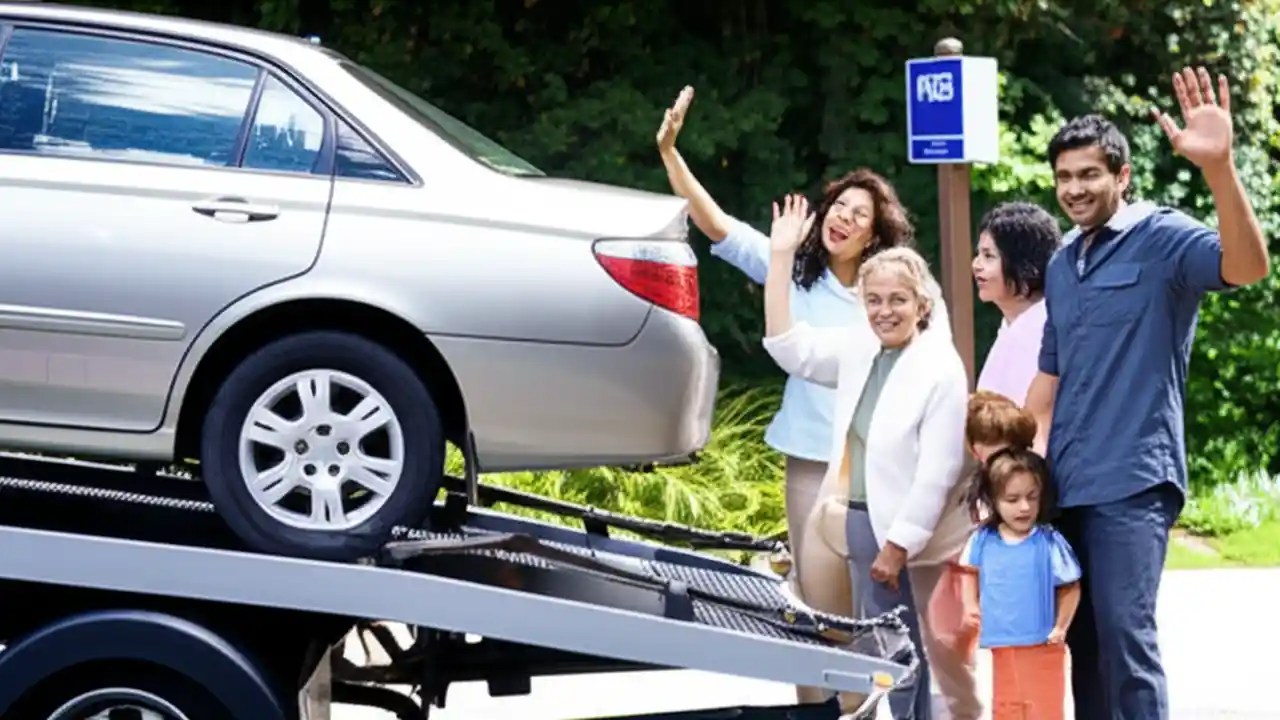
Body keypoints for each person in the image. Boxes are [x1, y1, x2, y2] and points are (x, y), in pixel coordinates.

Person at [1023, 66, 1270, 719]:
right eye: (1065, 177)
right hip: (1065, 485)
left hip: (1133, 481)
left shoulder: (1162, 238)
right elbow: (1048, 379)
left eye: (1089, 175)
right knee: (1085, 643)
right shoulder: (1062, 261)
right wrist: (1014, 465)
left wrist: (1220, 169)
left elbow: (1247, 268)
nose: (1074, 188)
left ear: (1121, 176)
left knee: (1129, 643)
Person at [655, 87, 950, 623]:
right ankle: (824, 706)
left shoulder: (893, 294)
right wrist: (671, 154)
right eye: (839, 205)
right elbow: (715, 223)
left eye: (859, 215)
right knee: (818, 603)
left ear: (875, 234)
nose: (843, 218)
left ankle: (878, 701)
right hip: (811, 461)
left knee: (880, 608)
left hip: (879, 466)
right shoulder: (790, 269)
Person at [761, 195, 979, 719]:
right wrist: (780, 256)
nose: (885, 311)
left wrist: (898, 545)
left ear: (922, 304)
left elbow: (938, 470)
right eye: (875, 300)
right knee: (881, 654)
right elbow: (789, 348)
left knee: (920, 653)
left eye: (898, 300)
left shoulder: (939, 367)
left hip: (910, 535)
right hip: (859, 522)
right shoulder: (861, 347)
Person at [957, 447, 1082, 720]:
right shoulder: (982, 540)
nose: (1024, 507)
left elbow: (1070, 586)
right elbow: (968, 572)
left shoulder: (1049, 542)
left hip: (1042, 646)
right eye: (1012, 499)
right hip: (998, 645)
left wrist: (1060, 627)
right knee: (1005, 709)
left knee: (1045, 709)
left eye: (1031, 497)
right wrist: (969, 607)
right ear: (993, 500)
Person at [971, 203, 1062, 405]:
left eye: (988, 256)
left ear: (1022, 265)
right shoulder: (1013, 326)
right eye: (979, 254)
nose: (976, 265)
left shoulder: (1045, 332)